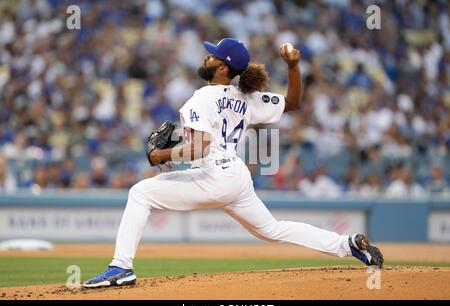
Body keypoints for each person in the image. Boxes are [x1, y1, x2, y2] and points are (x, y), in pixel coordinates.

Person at [83, 38, 383, 288]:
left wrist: (160, 156)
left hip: (211, 175)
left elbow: (199, 149)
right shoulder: (245, 97)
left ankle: (121, 267)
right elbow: (292, 102)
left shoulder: (200, 99)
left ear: (222, 67)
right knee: (272, 229)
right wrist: (293, 66)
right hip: (235, 177)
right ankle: (348, 245)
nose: (206, 56)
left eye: (212, 55)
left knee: (140, 193)